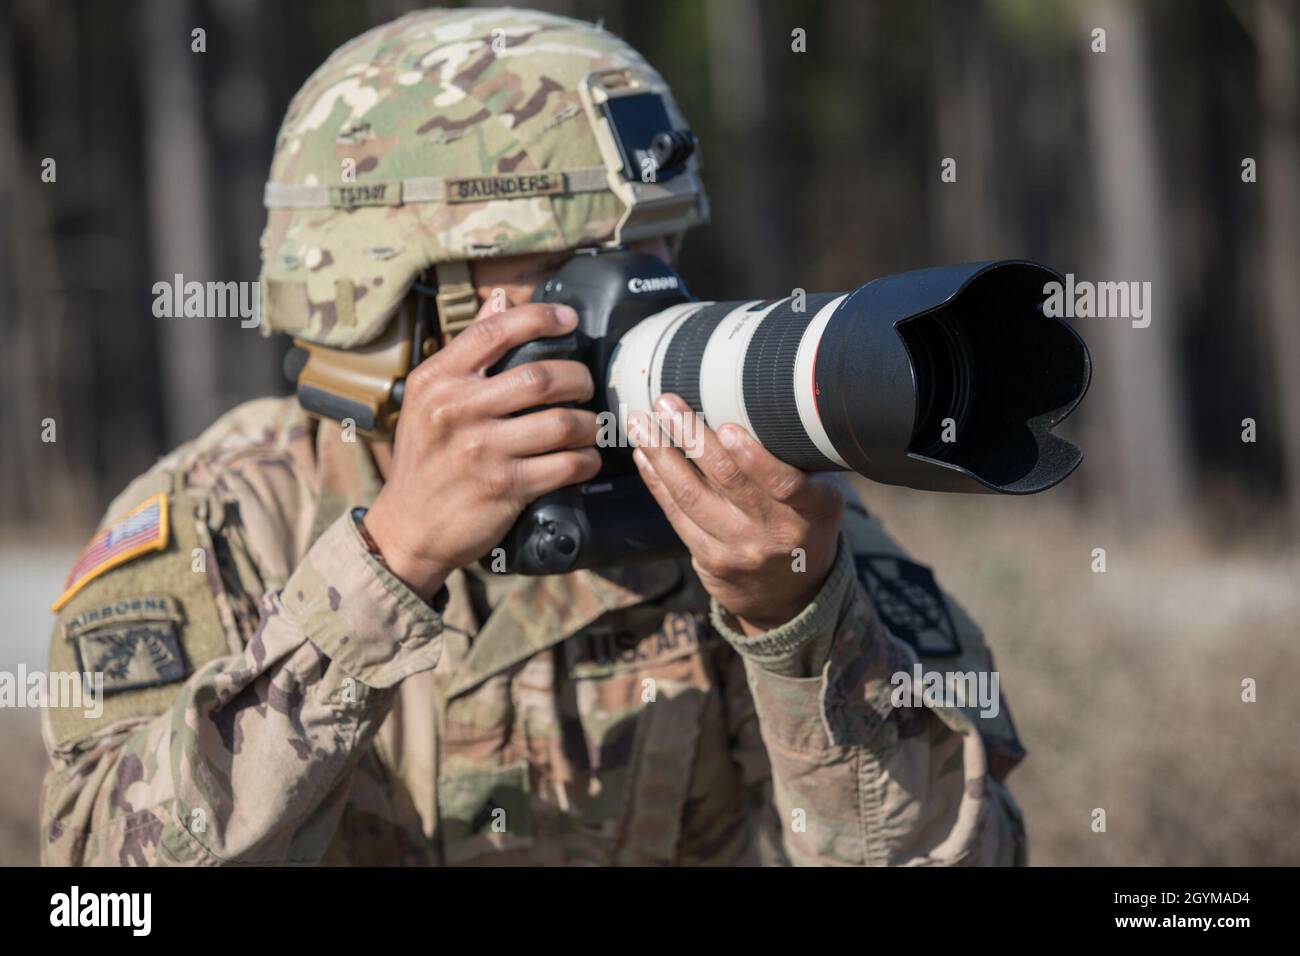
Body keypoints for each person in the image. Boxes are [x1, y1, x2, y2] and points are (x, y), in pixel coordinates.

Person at [39, 7, 1026, 866]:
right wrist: (384, 569)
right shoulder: (223, 521)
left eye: (657, 247)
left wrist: (799, 625)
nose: (642, 296)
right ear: (389, 288)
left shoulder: (744, 509)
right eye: (569, 265)